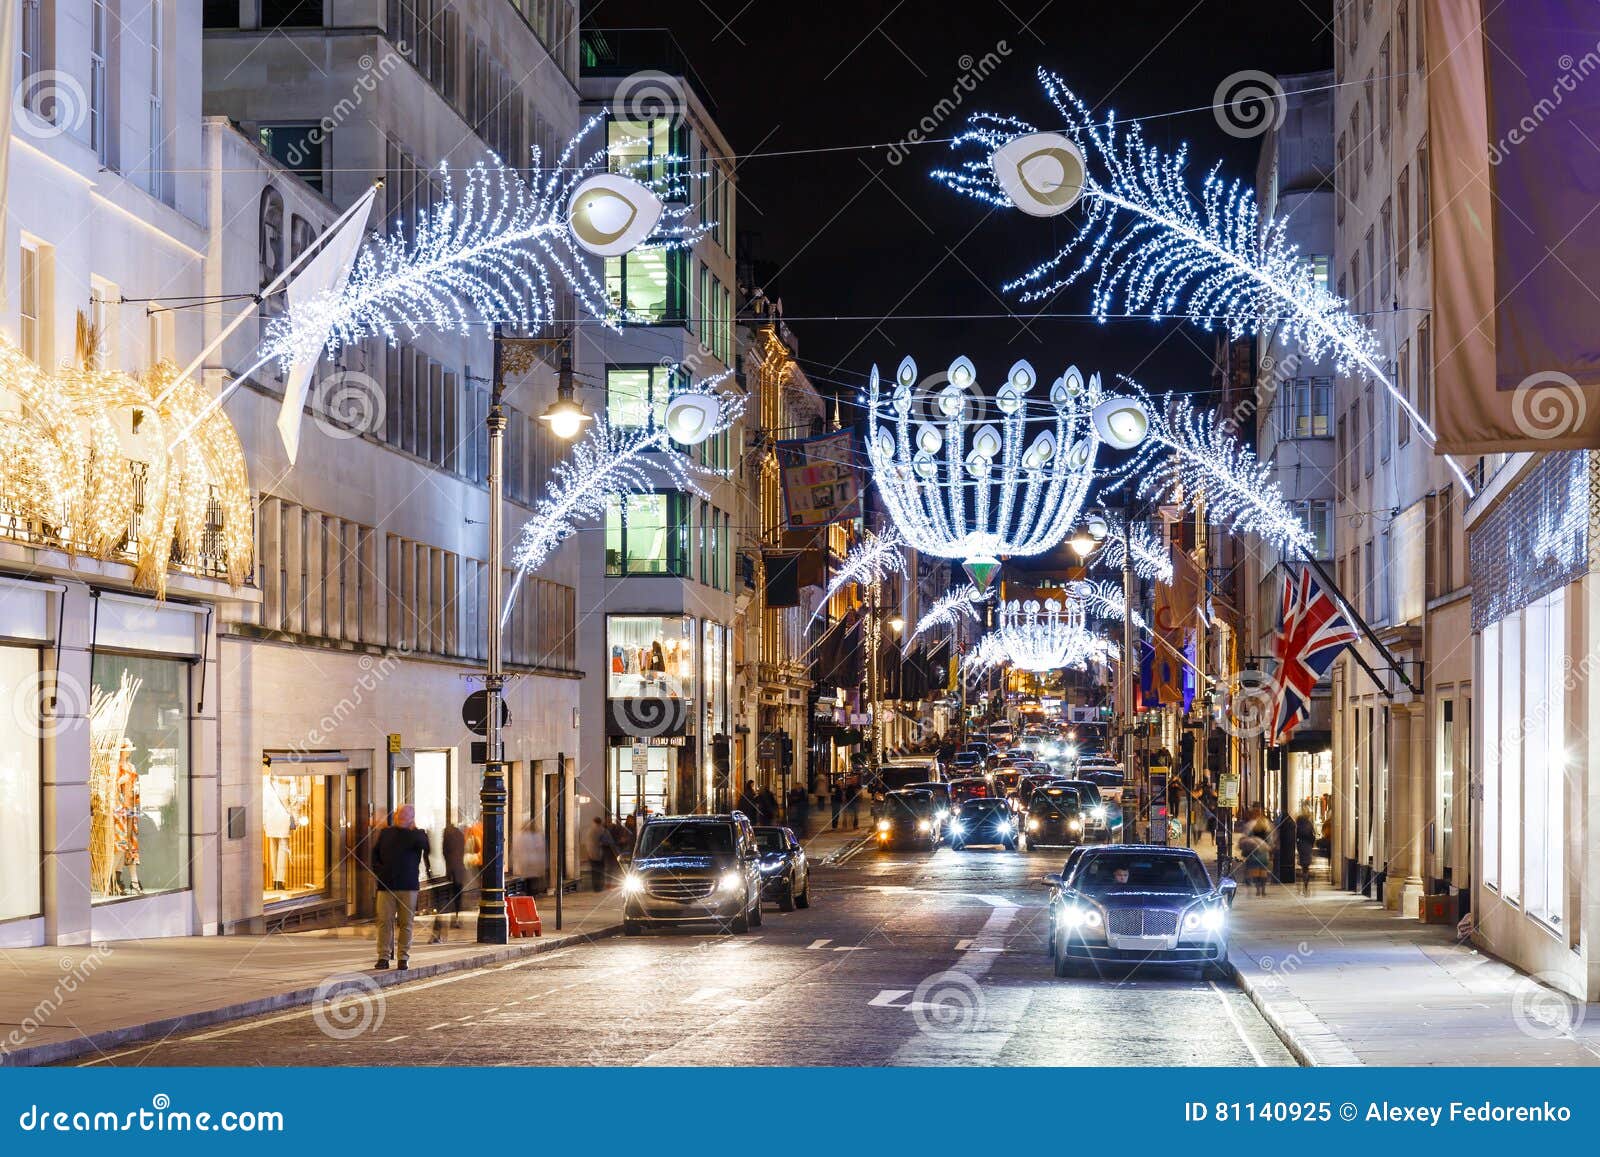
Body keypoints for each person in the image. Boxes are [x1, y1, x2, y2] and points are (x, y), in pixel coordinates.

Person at [372, 805, 431, 970]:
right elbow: (374, 855)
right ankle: (383, 956)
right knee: (384, 921)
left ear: (412, 817)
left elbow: (427, 847)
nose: (402, 817)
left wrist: (413, 828)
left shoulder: (418, 835)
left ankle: (403, 957)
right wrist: (380, 871)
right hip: (386, 885)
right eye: (400, 814)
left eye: (407, 815)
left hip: (408, 886)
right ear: (396, 815)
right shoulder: (386, 833)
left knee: (406, 923)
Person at [431, 818, 469, 942]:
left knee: (447, 897)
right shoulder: (459, 835)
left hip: (450, 871)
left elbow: (444, 852)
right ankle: (456, 918)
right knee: (457, 895)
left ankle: (444, 926)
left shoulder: (447, 836)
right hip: (459, 870)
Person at [579, 816, 617, 892]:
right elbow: (609, 841)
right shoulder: (602, 830)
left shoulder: (590, 831)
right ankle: (599, 887)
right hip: (600, 854)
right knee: (600, 871)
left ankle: (595, 887)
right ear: (600, 822)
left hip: (591, 854)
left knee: (594, 872)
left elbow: (588, 843)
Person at [510, 821, 547, 896]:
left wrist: (512, 861)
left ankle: (530, 894)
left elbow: (516, 850)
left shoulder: (520, 836)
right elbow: (541, 850)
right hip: (535, 862)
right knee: (533, 880)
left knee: (529, 880)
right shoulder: (537, 836)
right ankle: (532, 894)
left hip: (525, 862)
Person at [1295, 809, 1317, 895]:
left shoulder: (1298, 824)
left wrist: (1298, 845)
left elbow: (1296, 836)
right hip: (1307, 846)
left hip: (1301, 846)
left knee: (1303, 866)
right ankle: (1305, 885)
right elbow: (1313, 836)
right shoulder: (1309, 824)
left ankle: (1303, 883)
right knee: (1306, 867)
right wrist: (1311, 845)